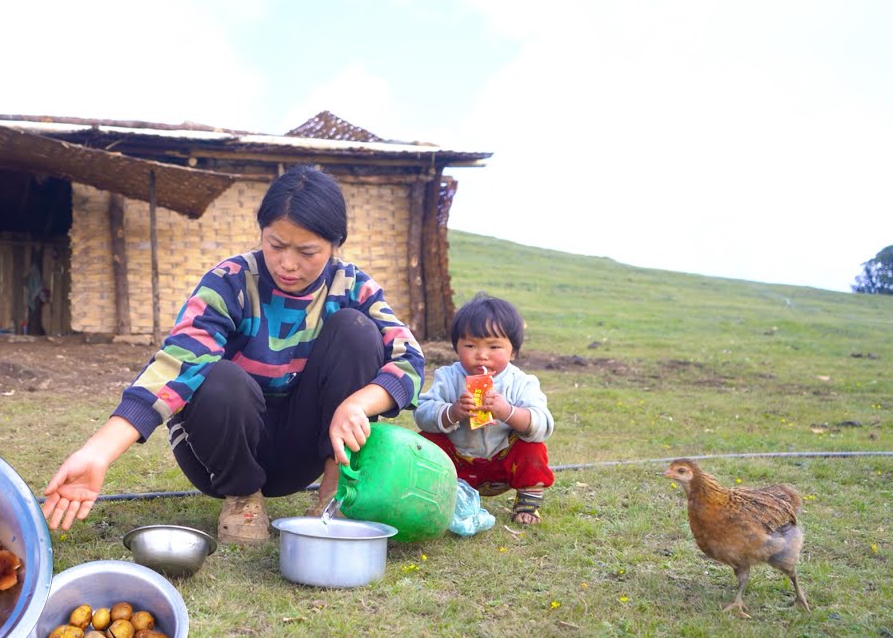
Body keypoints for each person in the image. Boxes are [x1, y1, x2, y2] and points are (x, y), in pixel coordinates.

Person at [41, 166, 425, 544]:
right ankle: (243, 499)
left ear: (335, 245)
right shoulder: (231, 281)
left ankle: (334, 490)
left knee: (357, 331)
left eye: (307, 252)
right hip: (217, 453)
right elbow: (177, 363)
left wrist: (357, 404)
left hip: (303, 449)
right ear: (261, 233)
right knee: (216, 374)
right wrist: (98, 453)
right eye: (275, 245)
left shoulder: (352, 286)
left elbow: (410, 359)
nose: (288, 264)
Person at [413, 294, 554, 524]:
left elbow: (543, 423)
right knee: (425, 441)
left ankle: (528, 501)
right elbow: (422, 413)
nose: (481, 354)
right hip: (456, 465)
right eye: (470, 345)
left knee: (532, 447)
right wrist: (453, 412)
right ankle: (435, 496)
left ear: (513, 351)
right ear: (456, 347)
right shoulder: (448, 377)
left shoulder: (521, 382)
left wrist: (507, 411)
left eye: (494, 346)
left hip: (503, 463)